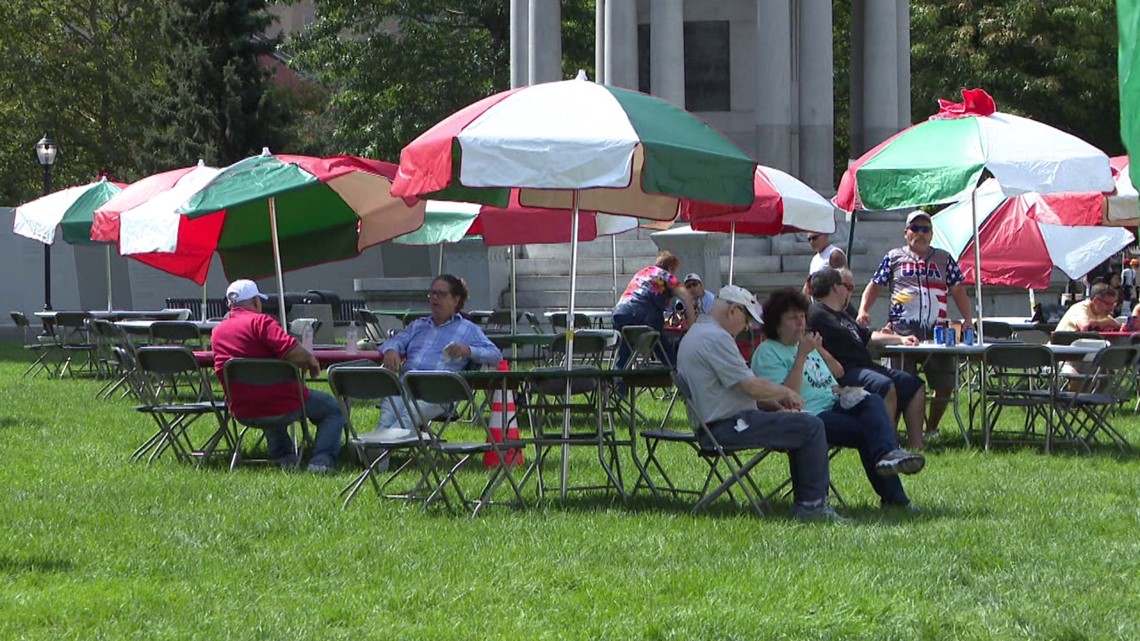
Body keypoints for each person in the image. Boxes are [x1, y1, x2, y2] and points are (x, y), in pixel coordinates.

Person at [675, 284, 844, 522]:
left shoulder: (698, 334)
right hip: (725, 426)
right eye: (745, 319)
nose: (746, 327)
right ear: (733, 310)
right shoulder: (715, 339)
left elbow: (736, 387)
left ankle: (808, 502)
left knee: (799, 423)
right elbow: (749, 385)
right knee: (811, 426)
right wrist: (786, 393)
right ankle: (812, 506)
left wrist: (771, 404)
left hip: (721, 421)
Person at [753, 288, 925, 511]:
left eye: (802, 317)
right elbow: (785, 397)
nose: (800, 323)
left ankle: (889, 455)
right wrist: (802, 355)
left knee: (872, 400)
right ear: (776, 323)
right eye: (793, 318)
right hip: (809, 417)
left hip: (833, 404)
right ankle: (895, 498)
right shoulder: (768, 352)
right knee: (867, 431)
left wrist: (840, 384)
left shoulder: (805, 346)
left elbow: (837, 373)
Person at [856, 210, 974, 433]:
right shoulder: (893, 257)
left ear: (931, 234)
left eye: (925, 229)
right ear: (906, 233)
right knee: (900, 384)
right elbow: (875, 285)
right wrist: (863, 309)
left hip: (937, 333)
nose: (920, 234)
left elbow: (958, 290)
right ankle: (894, 430)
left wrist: (968, 319)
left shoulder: (944, 258)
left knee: (944, 383)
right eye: (915, 229)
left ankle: (931, 429)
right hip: (902, 332)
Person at [211, 279, 345, 473]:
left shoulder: (217, 332)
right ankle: (321, 461)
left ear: (229, 305)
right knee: (333, 409)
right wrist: (310, 359)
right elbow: (291, 350)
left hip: (242, 409)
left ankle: (284, 456)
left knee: (262, 392)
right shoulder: (261, 322)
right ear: (256, 301)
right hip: (282, 404)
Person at [808, 268, 931, 448]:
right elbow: (809, 342)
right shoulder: (816, 313)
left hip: (866, 367)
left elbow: (869, 336)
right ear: (835, 288)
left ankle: (916, 444)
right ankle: (885, 446)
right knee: (884, 385)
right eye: (847, 287)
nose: (849, 292)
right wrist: (829, 359)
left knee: (914, 385)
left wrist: (901, 338)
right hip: (845, 372)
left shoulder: (844, 315)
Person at [368, 274, 502, 435]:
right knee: (387, 419)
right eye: (432, 294)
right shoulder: (419, 325)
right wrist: (391, 350)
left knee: (405, 418)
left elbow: (495, 355)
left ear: (455, 300)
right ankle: (375, 455)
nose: (435, 298)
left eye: (441, 294)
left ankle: (369, 451)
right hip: (405, 385)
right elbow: (397, 340)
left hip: (438, 392)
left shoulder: (468, 329)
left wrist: (468, 350)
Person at [612, 250, 694, 370]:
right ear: (671, 268)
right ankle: (677, 372)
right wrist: (692, 326)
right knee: (662, 346)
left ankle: (619, 384)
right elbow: (685, 296)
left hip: (620, 312)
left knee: (624, 355)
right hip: (644, 315)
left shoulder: (643, 272)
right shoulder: (667, 276)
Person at [1054, 282, 1121, 333]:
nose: (1111, 308)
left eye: (1113, 304)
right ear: (1096, 301)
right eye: (1107, 304)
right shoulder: (1079, 309)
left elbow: (1116, 325)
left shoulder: (1103, 314)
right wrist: (1107, 323)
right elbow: (1085, 326)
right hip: (1058, 349)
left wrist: (1121, 327)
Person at [803, 231, 847, 296]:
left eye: (815, 238)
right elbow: (808, 285)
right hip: (817, 303)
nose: (812, 242)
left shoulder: (834, 255)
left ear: (825, 235)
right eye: (809, 239)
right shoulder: (815, 258)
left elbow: (845, 282)